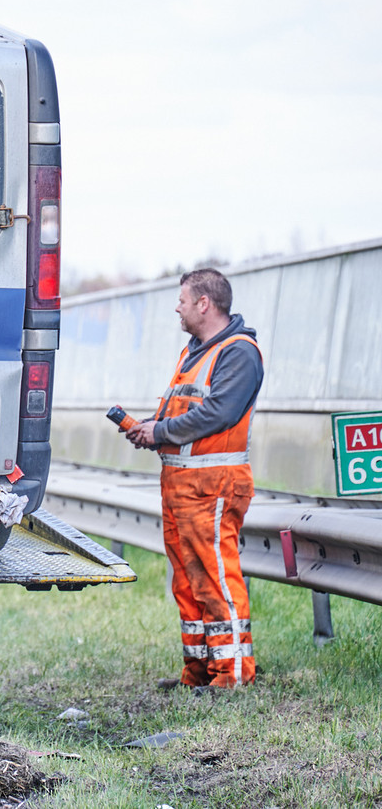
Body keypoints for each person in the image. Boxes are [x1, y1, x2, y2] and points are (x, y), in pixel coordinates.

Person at [126, 268, 263, 688]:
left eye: (182, 300)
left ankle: (233, 674)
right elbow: (185, 411)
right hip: (182, 485)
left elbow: (219, 413)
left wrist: (160, 431)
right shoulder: (195, 352)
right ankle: (200, 671)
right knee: (188, 582)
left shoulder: (238, 352)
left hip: (212, 485)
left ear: (204, 303)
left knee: (215, 578)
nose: (177, 308)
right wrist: (150, 427)